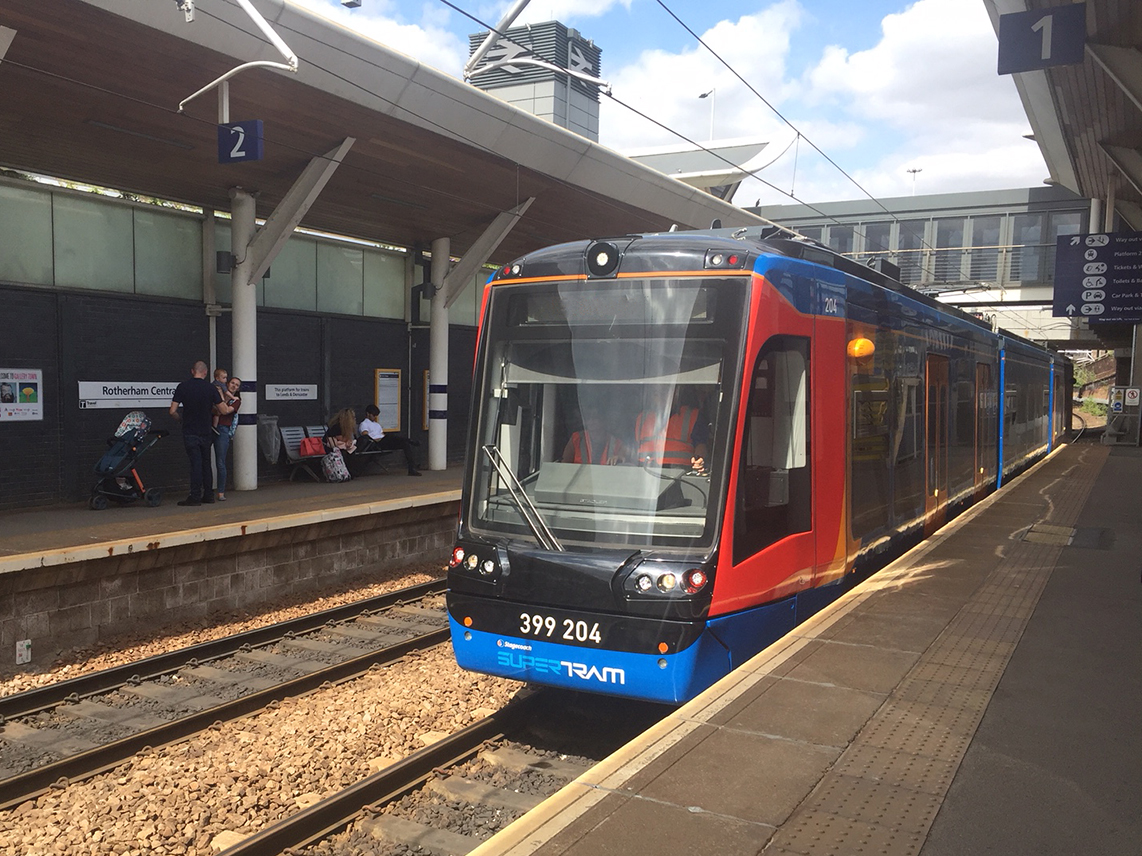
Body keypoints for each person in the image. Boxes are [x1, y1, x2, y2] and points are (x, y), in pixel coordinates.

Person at [169, 360, 216, 506]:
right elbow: (220, 409)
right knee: (206, 463)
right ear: (205, 372)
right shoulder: (210, 388)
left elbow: (172, 411)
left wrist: (180, 420)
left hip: (190, 430)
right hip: (206, 431)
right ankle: (208, 495)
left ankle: (195, 496)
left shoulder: (183, 387)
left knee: (195, 464)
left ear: (192, 371)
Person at [634, 385, 709, 472]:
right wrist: (621, 455)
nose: (661, 397)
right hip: (644, 475)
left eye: (665, 392)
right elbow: (630, 447)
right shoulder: (642, 418)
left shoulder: (692, 415)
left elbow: (701, 446)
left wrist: (699, 460)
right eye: (656, 393)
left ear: (675, 393)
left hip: (680, 475)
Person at [358, 404, 422, 476]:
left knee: (405, 444)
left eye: (376, 415)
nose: (375, 417)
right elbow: (365, 437)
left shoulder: (377, 425)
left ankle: (411, 468)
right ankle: (410, 440)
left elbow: (382, 434)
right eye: (373, 415)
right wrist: (376, 439)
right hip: (375, 443)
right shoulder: (364, 424)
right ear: (368, 414)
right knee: (391, 436)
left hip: (384, 441)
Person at [212, 376, 241, 501]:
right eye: (232, 383)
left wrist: (219, 407)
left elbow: (225, 411)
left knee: (220, 461)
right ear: (227, 384)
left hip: (223, 429)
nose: (234, 386)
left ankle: (221, 492)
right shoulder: (218, 393)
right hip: (211, 427)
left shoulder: (236, 401)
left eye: (237, 385)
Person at [210, 368, 228, 435]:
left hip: (212, 403)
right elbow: (226, 392)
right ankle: (214, 426)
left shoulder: (212, 385)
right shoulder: (221, 386)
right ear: (217, 378)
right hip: (216, 403)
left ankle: (214, 426)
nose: (225, 380)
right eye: (224, 378)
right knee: (218, 413)